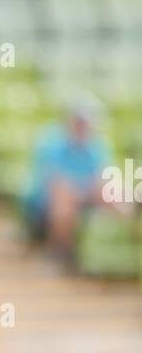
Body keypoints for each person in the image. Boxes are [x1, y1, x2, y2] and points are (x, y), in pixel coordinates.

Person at [20, 96, 113, 260]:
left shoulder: (97, 145)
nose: (82, 127)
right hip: (49, 201)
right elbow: (54, 182)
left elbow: (103, 178)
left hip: (84, 196)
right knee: (63, 198)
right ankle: (63, 252)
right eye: (79, 122)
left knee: (115, 195)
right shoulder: (52, 143)